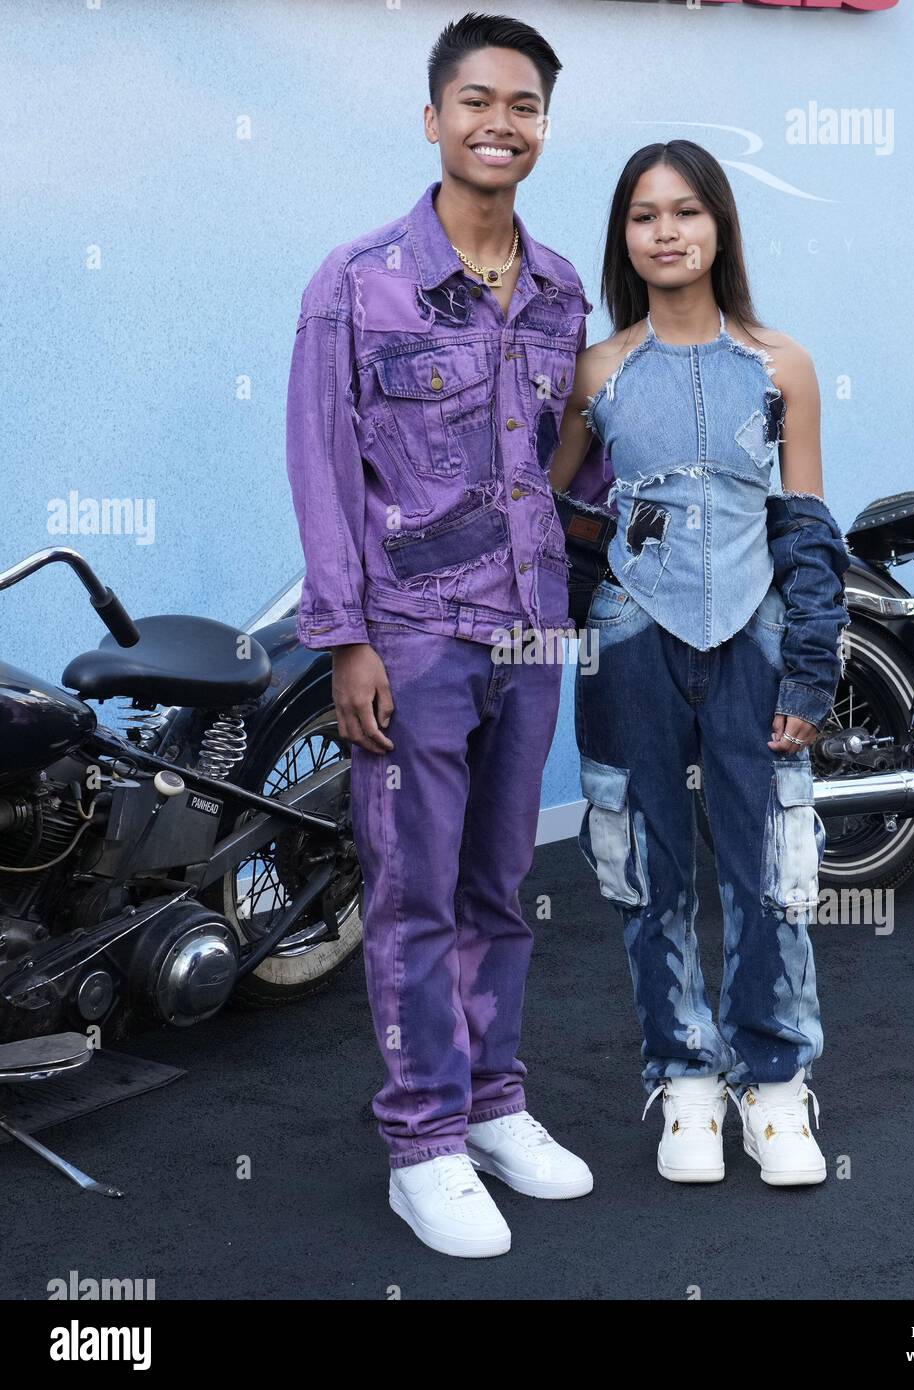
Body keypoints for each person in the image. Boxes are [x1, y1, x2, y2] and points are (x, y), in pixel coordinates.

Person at [285, 12, 596, 1259]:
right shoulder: (356, 281)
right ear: (432, 118)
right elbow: (319, 468)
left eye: (522, 105)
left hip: (530, 632)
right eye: (475, 100)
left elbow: (570, 469)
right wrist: (343, 638)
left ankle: (492, 1101)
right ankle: (420, 1136)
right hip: (411, 634)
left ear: (541, 126)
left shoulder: (564, 286)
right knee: (410, 893)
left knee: (500, 886)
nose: (498, 124)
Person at [549, 140, 852, 1188]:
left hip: (754, 643)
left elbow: (807, 529)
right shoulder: (595, 371)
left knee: (772, 867)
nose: (665, 231)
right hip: (631, 647)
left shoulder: (781, 365)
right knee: (643, 864)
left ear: (719, 226)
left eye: (686, 211)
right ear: (621, 237)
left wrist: (808, 673)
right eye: (643, 215)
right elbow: (556, 519)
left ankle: (773, 1088)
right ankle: (682, 1081)